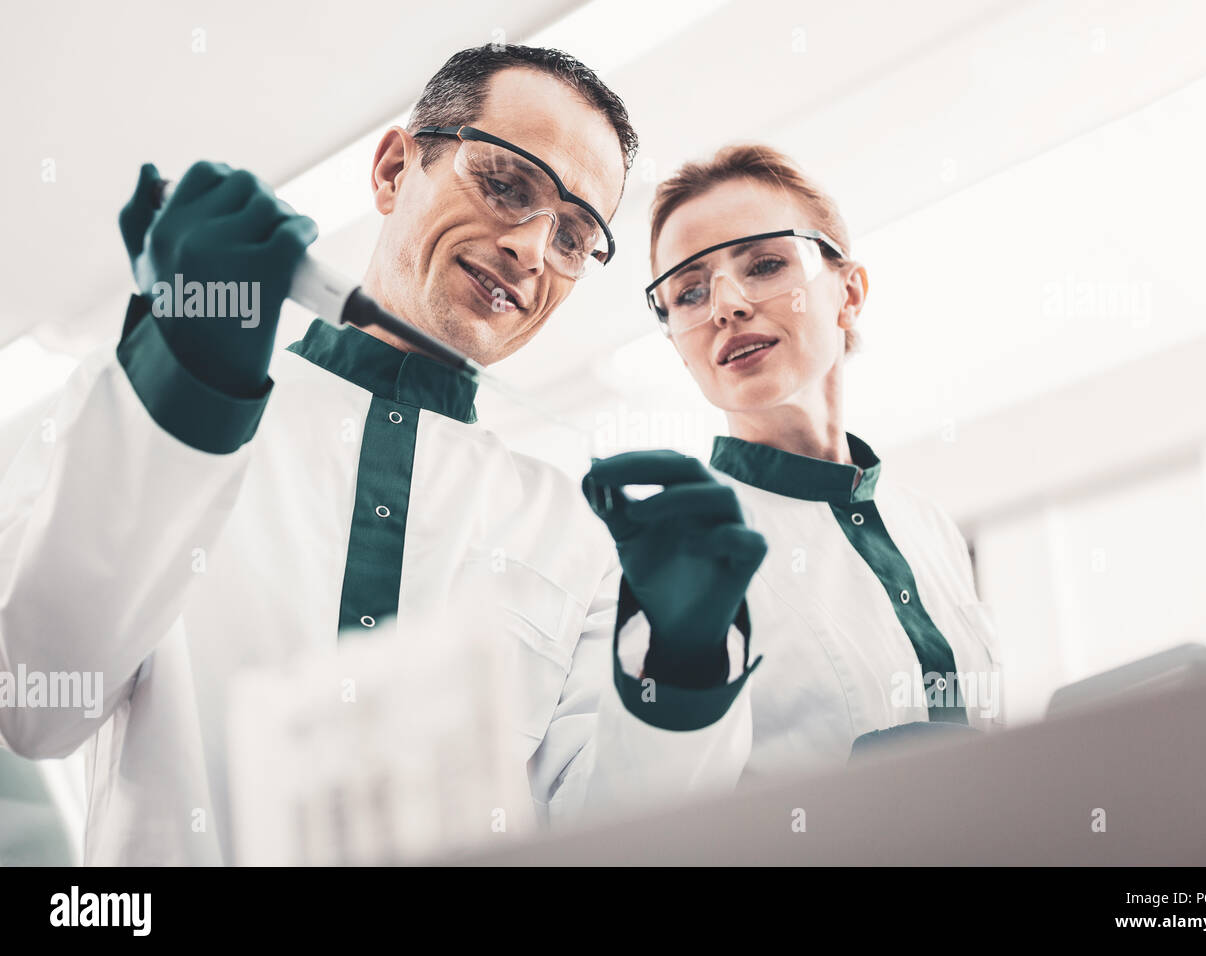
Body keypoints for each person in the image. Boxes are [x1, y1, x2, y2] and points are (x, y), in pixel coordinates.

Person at [0, 46, 765, 865]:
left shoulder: (577, 537)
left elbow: (617, 845)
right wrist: (186, 384)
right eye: (508, 185)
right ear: (396, 168)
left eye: (575, 236)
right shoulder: (175, 402)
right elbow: (37, 706)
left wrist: (681, 676)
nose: (533, 250)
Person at [643, 144, 1005, 781]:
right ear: (678, 344)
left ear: (849, 294)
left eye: (764, 264)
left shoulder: (930, 528)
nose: (725, 305)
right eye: (690, 293)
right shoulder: (680, 554)